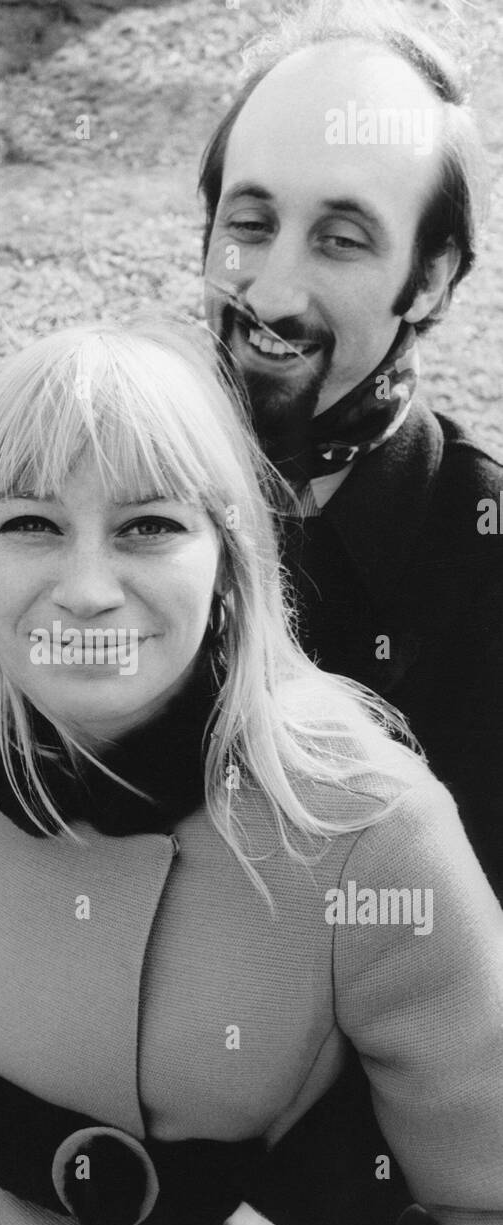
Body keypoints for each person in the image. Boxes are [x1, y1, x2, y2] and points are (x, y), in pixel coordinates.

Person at [0, 321, 503, 1225]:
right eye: (31, 523)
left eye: (149, 525)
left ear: (229, 559)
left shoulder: (369, 825)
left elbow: (483, 1224)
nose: (84, 591)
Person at [200, 0, 503, 899]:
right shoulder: (117, 492)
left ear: (432, 276)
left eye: (340, 240)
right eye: (248, 224)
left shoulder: (484, 558)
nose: (273, 291)